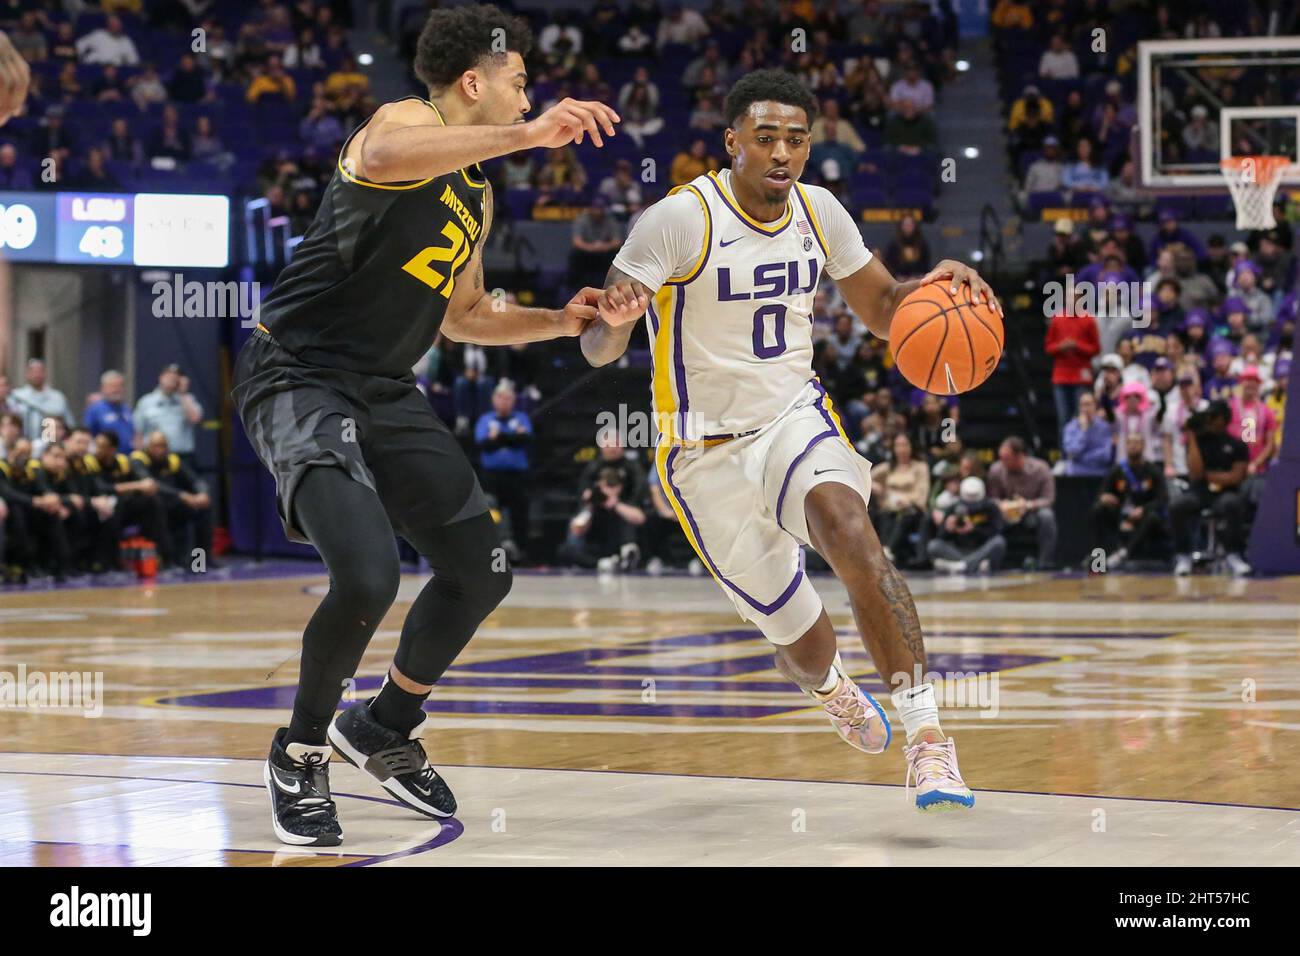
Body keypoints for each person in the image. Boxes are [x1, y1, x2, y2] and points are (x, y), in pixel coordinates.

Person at [231, 4, 619, 847]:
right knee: (367, 575)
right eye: (520, 82)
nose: (529, 98)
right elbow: (381, 154)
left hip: (382, 387)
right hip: (298, 373)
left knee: (481, 569)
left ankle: (383, 725)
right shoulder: (404, 123)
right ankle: (299, 750)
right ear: (472, 81)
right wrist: (533, 136)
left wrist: (560, 316)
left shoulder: (474, 192)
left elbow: (467, 317)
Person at [579, 69, 999, 812]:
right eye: (766, 137)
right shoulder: (678, 221)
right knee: (802, 643)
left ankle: (929, 739)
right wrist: (615, 319)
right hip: (702, 455)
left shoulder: (820, 210)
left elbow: (883, 308)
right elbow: (597, 351)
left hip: (792, 418)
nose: (781, 153)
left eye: (796, 140)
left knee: (849, 529)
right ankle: (832, 689)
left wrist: (936, 286)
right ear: (732, 141)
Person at [1169, 400, 1251, 577]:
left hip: (1226, 492)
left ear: (1224, 419)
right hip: (1200, 492)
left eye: (1214, 416)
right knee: (1178, 505)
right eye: (1208, 417)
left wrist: (1210, 476)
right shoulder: (1198, 442)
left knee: (1232, 504)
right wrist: (1192, 437)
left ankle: (1233, 555)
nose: (1210, 421)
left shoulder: (1237, 444)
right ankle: (1183, 555)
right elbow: (1195, 474)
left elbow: (1235, 477)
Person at [474, 380, 533, 561]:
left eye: (508, 398)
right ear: (493, 400)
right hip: (492, 476)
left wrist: (499, 437)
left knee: (519, 514)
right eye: (500, 397)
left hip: (517, 476)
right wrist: (511, 437)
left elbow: (524, 440)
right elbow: (485, 444)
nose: (504, 401)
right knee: (492, 513)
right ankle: (492, 553)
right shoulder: (486, 419)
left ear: (513, 400)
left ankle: (520, 553)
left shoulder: (522, 418)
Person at [1092, 432, 1168, 568]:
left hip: (1144, 516)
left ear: (1143, 446)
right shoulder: (1117, 471)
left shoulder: (1153, 471)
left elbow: (1162, 499)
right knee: (1098, 510)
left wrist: (1144, 509)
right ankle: (1098, 560)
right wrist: (1105, 498)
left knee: (1152, 517)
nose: (1133, 446)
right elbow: (1101, 493)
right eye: (1130, 443)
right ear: (1125, 446)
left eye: (1137, 443)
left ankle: (1123, 553)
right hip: (1120, 514)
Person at [987, 436, 1057, 569]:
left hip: (1031, 512)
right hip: (1005, 514)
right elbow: (992, 499)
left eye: (1006, 458)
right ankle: (992, 562)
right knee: (990, 514)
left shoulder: (1041, 468)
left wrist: (1028, 505)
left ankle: (1045, 562)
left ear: (1019, 456)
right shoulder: (996, 470)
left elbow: (1049, 499)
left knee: (1047, 516)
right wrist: (1002, 505)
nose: (1002, 462)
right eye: (1000, 457)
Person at [927, 476, 1006, 574]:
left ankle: (961, 565)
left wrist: (975, 529)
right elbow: (940, 536)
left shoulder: (991, 508)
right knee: (933, 545)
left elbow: (996, 532)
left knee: (999, 542)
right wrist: (947, 528)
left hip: (982, 549)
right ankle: (974, 564)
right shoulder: (954, 507)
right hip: (959, 550)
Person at [133, 364, 203, 465]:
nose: (172, 380)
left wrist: (182, 394)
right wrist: (138, 457)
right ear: (161, 377)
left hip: (183, 457)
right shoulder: (146, 401)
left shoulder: (187, 400)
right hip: (155, 458)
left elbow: (195, 419)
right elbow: (138, 433)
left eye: (176, 377)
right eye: (169, 376)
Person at [11, 359, 73, 441]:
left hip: (50, 443)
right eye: (33, 372)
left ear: (45, 373)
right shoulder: (16, 396)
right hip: (22, 443)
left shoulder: (57, 397)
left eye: (40, 371)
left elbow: (69, 424)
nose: (37, 375)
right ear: (27, 374)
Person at [1062, 390, 1113, 476]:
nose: (1086, 409)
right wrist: (1083, 431)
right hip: (1076, 474)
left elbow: (1105, 456)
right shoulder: (1070, 427)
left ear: (1095, 406)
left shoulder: (1105, 427)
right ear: (1079, 407)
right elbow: (1071, 453)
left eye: (1089, 404)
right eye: (1083, 405)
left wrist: (1079, 458)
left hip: (1098, 474)